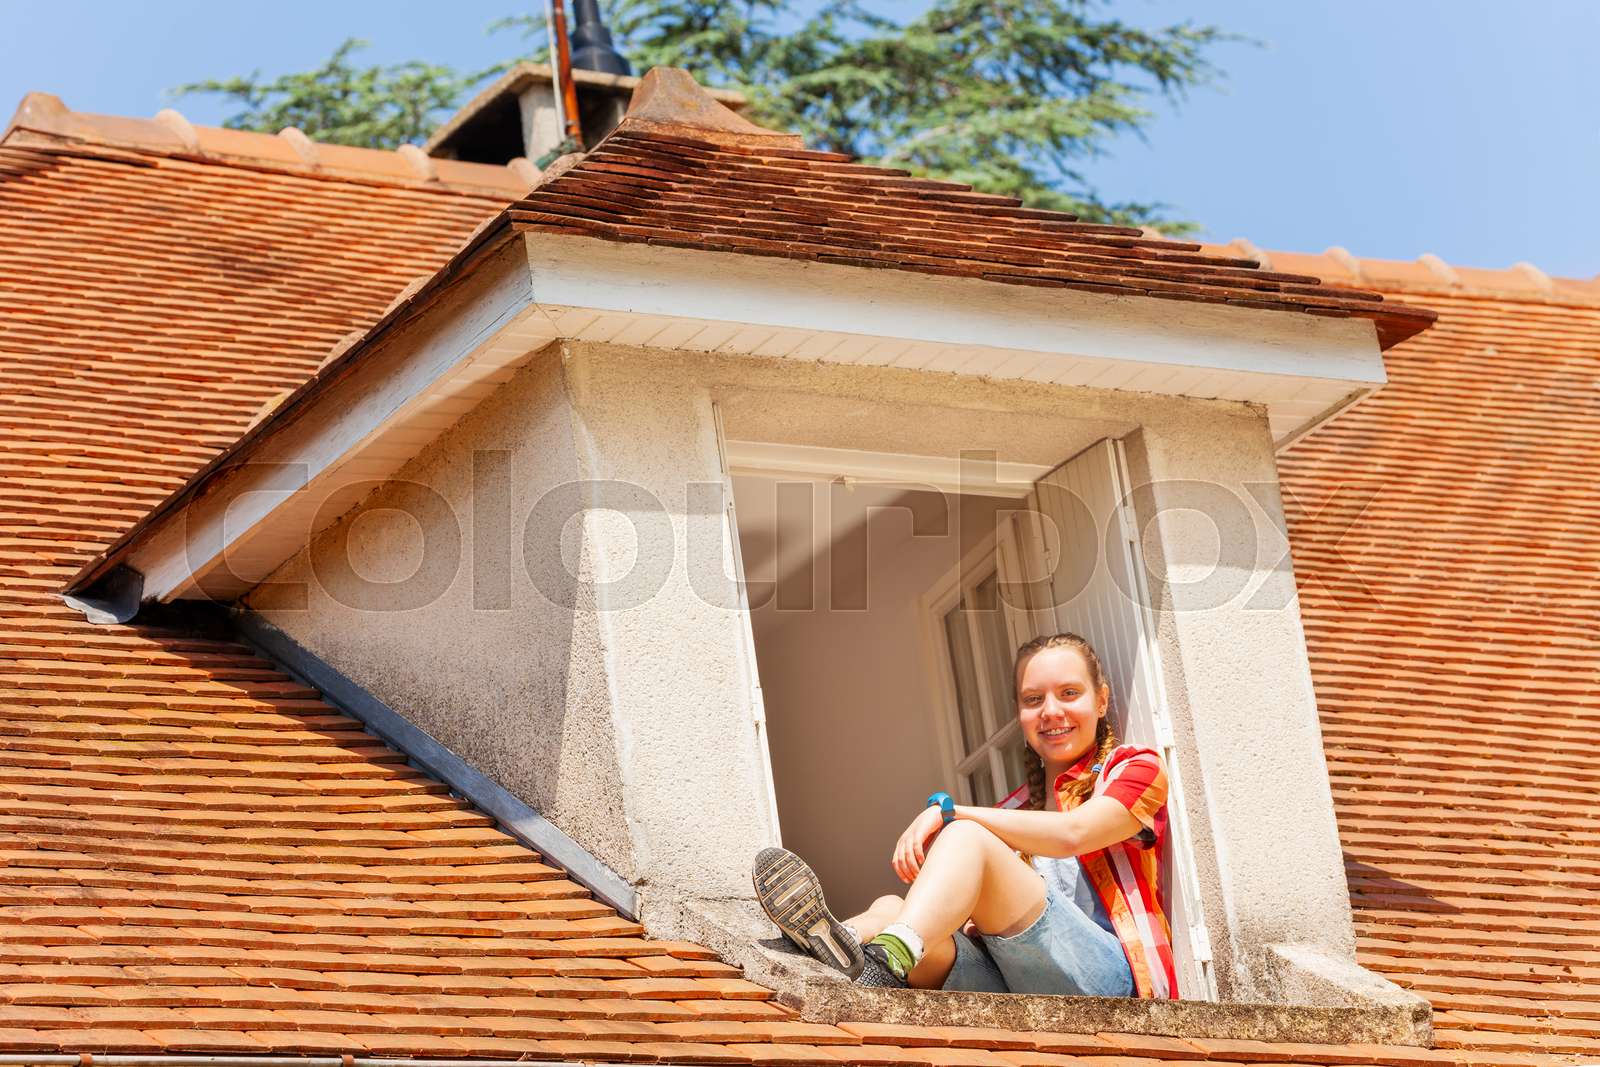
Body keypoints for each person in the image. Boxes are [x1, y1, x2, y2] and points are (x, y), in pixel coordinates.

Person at [752, 632, 1178, 998]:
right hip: (1017, 981)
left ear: (1101, 701)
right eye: (1034, 700)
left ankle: (880, 958)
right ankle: (827, 951)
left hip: (1108, 982)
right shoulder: (1010, 811)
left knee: (966, 837)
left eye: (1069, 693)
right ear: (1021, 715)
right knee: (889, 908)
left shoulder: (1132, 768)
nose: (1050, 711)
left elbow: (1073, 832)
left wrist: (949, 814)